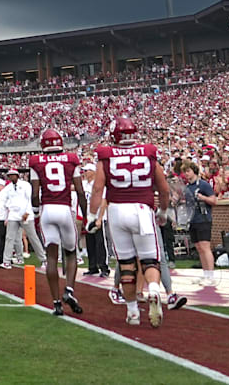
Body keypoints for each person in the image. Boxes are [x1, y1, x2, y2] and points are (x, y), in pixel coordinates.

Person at [89, 116, 172, 328]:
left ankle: (133, 311)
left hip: (117, 211)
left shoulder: (106, 155)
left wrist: (92, 216)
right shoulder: (148, 152)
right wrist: (163, 211)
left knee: (126, 264)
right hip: (143, 209)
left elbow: (98, 188)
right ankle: (153, 289)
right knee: (150, 260)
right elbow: (163, 188)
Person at [28, 129, 87, 316]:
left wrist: (36, 214)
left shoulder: (36, 161)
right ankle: (69, 290)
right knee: (71, 253)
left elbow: (35, 195)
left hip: (47, 210)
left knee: (51, 257)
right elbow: (79, 190)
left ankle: (56, 303)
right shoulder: (71, 159)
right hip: (64, 208)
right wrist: (87, 216)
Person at [1, 169, 45, 268]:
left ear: (17, 176)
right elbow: (4, 201)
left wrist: (28, 212)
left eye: (12, 175)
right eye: (9, 175)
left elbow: (30, 199)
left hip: (26, 215)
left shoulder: (25, 185)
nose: (11, 177)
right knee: (9, 238)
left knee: (33, 237)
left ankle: (43, 259)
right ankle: (6, 261)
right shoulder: (8, 188)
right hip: (13, 215)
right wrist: (6, 215)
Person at [184, 163, 218, 284]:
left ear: (194, 171)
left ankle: (211, 276)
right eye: (185, 172)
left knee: (205, 247)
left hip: (203, 219)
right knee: (199, 247)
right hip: (193, 219)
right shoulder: (187, 187)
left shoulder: (203, 184)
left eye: (188, 171)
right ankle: (205, 274)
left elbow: (214, 200)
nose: (186, 174)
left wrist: (202, 197)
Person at [81, 163, 110, 277]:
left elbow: (104, 201)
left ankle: (104, 267)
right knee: (90, 243)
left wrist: (100, 218)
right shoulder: (85, 184)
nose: (85, 173)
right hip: (89, 217)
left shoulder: (99, 185)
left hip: (98, 217)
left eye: (87, 170)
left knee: (100, 243)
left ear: (93, 172)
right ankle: (92, 266)